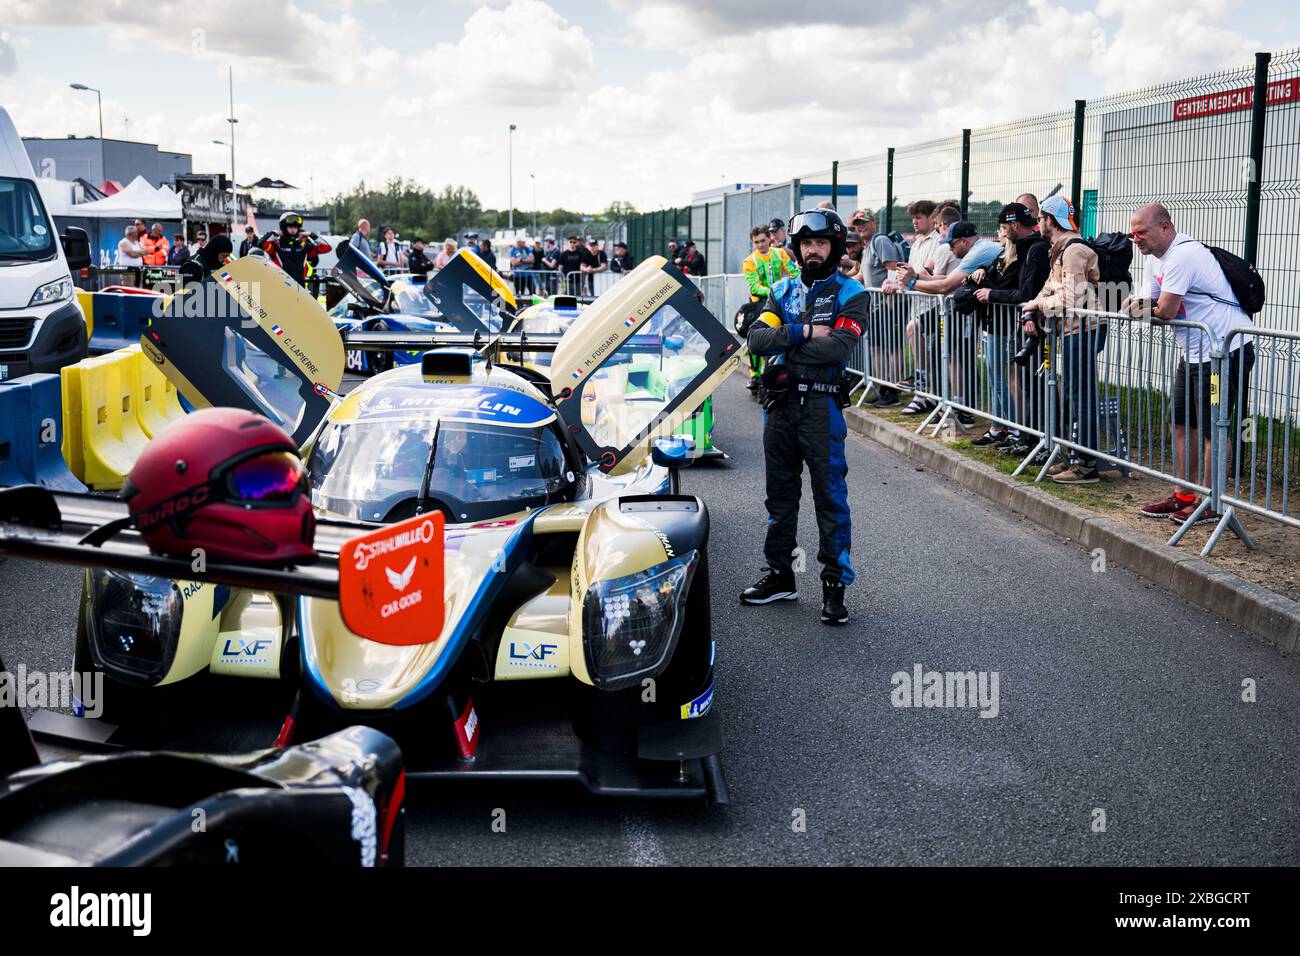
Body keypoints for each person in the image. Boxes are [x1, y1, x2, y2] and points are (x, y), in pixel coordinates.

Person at [742, 209, 867, 626]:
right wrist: (807, 331)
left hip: (822, 409)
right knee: (779, 498)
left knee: (830, 499)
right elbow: (757, 340)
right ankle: (781, 575)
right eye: (806, 244)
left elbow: (837, 349)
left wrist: (789, 340)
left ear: (833, 247)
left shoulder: (852, 292)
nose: (813, 250)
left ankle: (834, 586)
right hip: (779, 407)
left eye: (821, 243)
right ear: (796, 248)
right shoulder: (781, 290)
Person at [1126, 203, 1256, 526]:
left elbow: (1164, 310)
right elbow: (1149, 305)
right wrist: (1144, 307)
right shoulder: (1155, 259)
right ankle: (1184, 495)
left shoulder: (1183, 255)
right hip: (1195, 353)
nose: (1136, 239)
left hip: (1224, 352)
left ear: (1166, 228)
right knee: (1181, 421)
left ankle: (1211, 503)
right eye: (1132, 234)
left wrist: (1144, 307)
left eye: (1142, 233)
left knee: (1215, 427)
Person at [1023, 195, 1103, 484]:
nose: (1039, 223)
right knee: (1072, 393)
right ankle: (1074, 456)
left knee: (1082, 396)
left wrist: (1038, 306)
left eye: (1041, 218)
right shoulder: (1060, 250)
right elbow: (1049, 287)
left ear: (1050, 221)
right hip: (1072, 329)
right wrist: (1034, 303)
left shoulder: (1072, 251)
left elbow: (1072, 296)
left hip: (1084, 328)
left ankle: (1086, 464)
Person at [970, 202, 1050, 455]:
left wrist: (992, 294)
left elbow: (1027, 292)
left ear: (1015, 225)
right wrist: (984, 270)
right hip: (1019, 324)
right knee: (1018, 382)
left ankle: (1029, 436)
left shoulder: (1035, 249)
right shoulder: (1022, 248)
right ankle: (1022, 434)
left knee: (1029, 384)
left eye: (1004, 227)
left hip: (1031, 326)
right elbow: (1009, 278)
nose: (1002, 232)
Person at [893, 200, 957, 416]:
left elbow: (929, 274)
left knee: (941, 355)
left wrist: (913, 279)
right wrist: (895, 282)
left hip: (935, 305)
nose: (914, 221)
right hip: (917, 305)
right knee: (925, 353)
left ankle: (933, 397)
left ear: (933, 218)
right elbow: (911, 274)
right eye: (913, 217)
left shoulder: (939, 241)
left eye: (919, 216)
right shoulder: (918, 243)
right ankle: (925, 394)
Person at [849, 210, 905, 407]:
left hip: (888, 305)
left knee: (891, 348)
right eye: (857, 224)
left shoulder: (880, 241)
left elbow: (892, 267)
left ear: (873, 223)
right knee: (876, 347)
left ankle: (892, 390)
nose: (860, 226)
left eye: (864, 222)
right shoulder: (866, 247)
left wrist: (890, 286)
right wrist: (840, 281)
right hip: (875, 306)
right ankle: (883, 387)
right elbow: (862, 276)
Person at [741, 225, 801, 389]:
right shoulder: (749, 261)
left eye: (763, 240)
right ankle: (755, 375)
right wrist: (775, 290)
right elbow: (754, 286)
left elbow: (793, 273)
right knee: (755, 335)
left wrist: (791, 286)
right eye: (756, 242)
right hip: (759, 302)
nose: (760, 245)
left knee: (788, 332)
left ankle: (786, 371)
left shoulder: (780, 253)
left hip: (780, 301)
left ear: (769, 239)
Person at [260, 211, 331, 286]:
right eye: (290, 227)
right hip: (280, 286)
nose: (293, 230)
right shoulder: (276, 244)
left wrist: (311, 234)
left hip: (299, 288)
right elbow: (261, 244)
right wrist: (273, 232)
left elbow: (327, 248)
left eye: (295, 227)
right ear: (284, 227)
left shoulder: (304, 245)